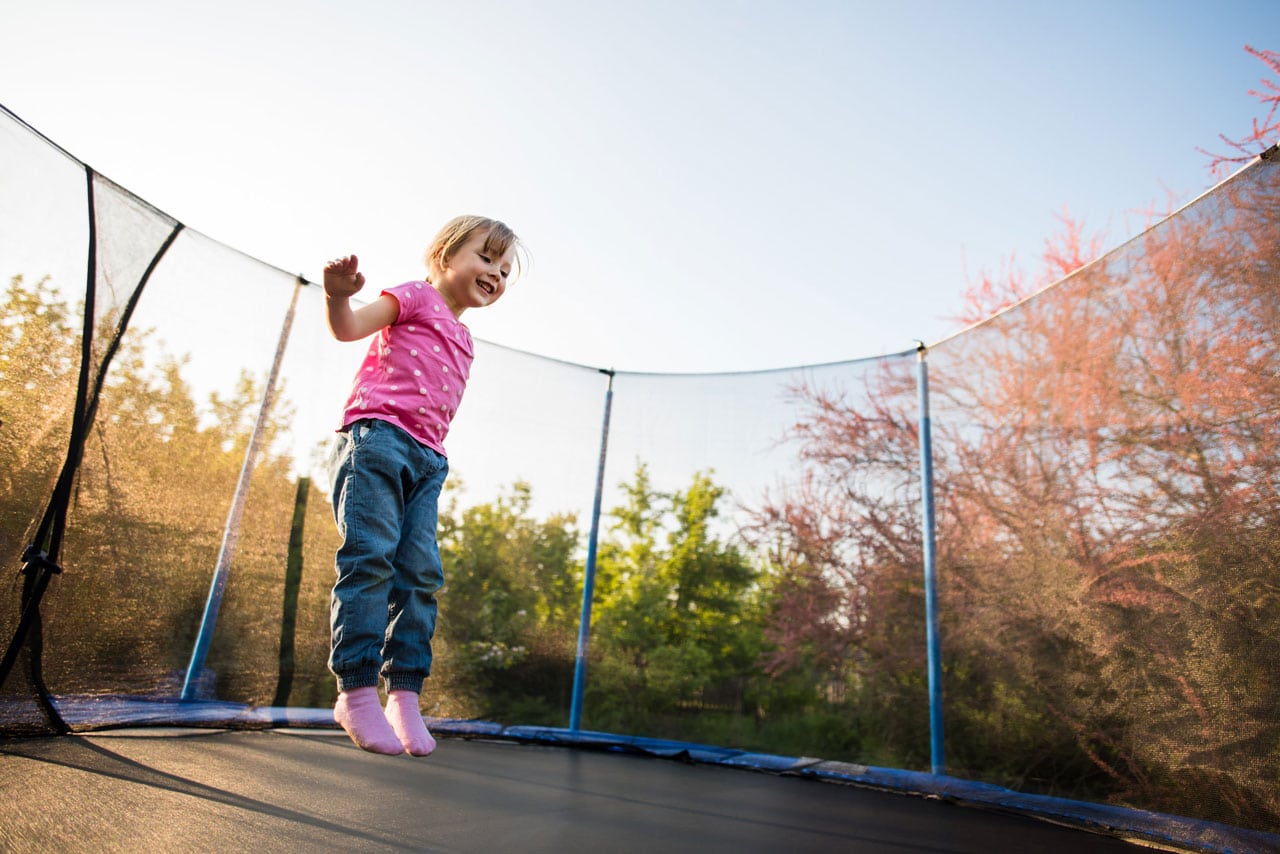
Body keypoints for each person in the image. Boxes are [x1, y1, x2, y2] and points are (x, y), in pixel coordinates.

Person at [322, 215, 521, 755]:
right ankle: (357, 690)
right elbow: (347, 329)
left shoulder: (465, 339)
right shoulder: (412, 296)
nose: (496, 274)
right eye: (486, 258)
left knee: (420, 576)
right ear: (444, 256)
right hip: (378, 438)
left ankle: (403, 696)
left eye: (505, 270)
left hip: (430, 460)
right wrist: (338, 297)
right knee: (371, 559)